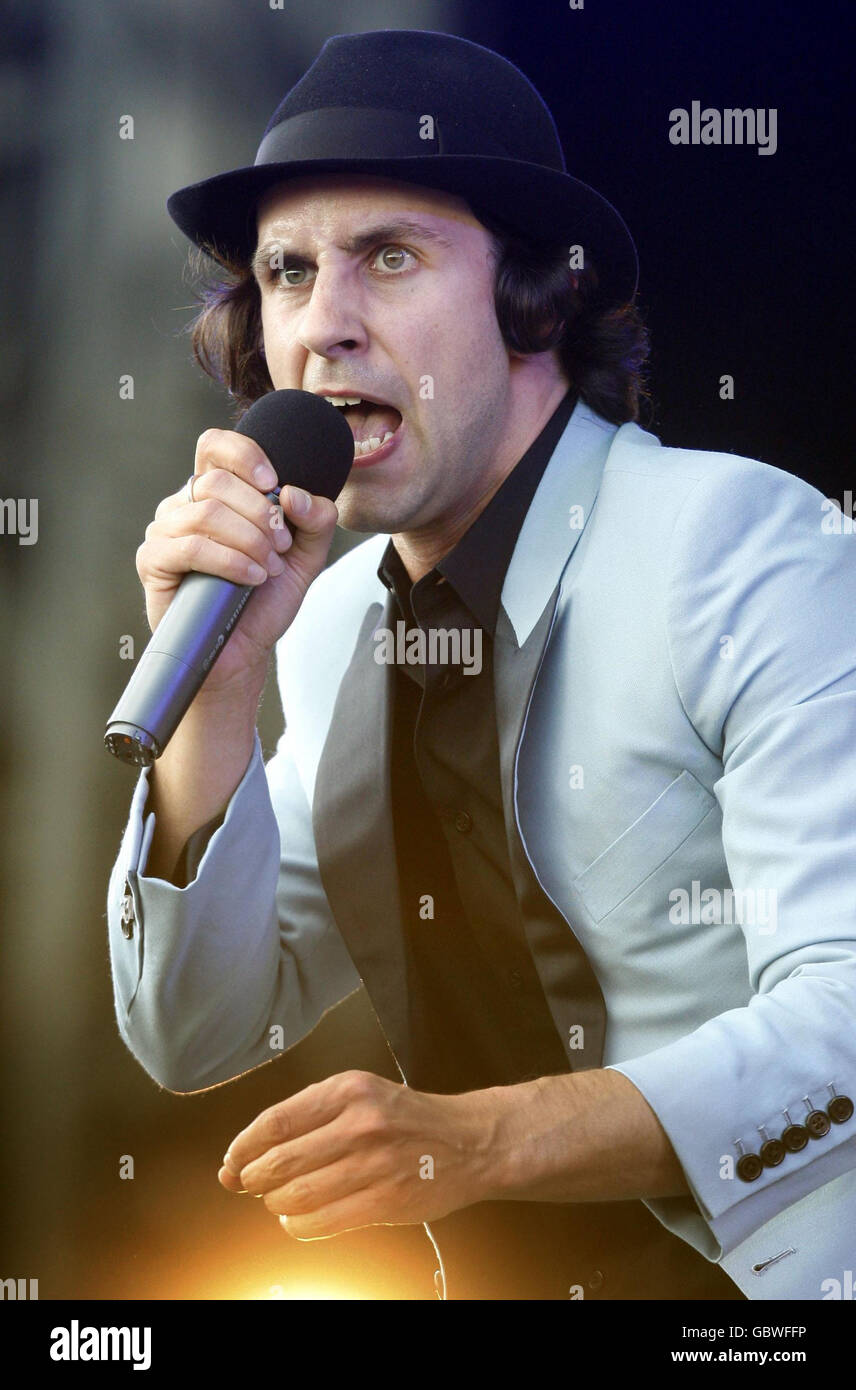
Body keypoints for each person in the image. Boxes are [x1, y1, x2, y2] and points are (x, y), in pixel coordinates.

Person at [107, 30, 856, 1301]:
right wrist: (217, 691)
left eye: (388, 258)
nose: (323, 326)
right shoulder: (333, 618)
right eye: (287, 273)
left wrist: (477, 1141)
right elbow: (196, 1031)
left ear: (537, 298)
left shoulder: (736, 542)